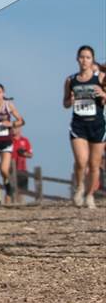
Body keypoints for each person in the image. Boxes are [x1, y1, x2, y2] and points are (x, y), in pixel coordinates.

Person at [64, 45, 106, 209]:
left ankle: (89, 195)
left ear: (92, 60)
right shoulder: (71, 80)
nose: (84, 60)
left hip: (97, 126)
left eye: (88, 57)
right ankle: (80, 186)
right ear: (77, 59)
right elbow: (65, 103)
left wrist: (103, 94)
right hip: (78, 125)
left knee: (95, 165)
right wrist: (71, 100)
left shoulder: (101, 77)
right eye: (82, 57)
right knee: (81, 162)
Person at [10, 126, 33, 203]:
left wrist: (23, 153)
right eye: (12, 128)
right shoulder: (8, 140)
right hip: (10, 169)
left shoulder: (25, 140)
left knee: (21, 192)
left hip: (22, 169)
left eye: (15, 127)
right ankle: (11, 206)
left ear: (20, 129)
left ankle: (20, 206)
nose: (13, 129)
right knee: (10, 190)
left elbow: (30, 155)